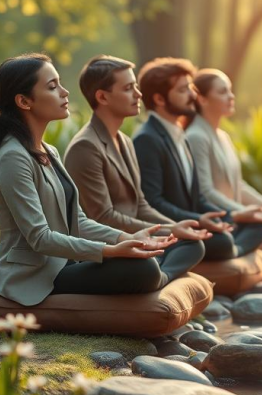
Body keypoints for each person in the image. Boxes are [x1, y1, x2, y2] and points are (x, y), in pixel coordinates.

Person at [0, 54, 179, 307]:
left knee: (156, 255)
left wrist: (124, 238)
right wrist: (109, 251)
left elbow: (78, 220)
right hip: (33, 274)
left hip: (65, 264)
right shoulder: (12, 158)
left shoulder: (49, 150)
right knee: (144, 268)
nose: (65, 92)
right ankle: (163, 275)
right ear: (24, 101)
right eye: (52, 86)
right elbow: (40, 237)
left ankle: (159, 273)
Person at [64, 55, 209, 282]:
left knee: (193, 244)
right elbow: (104, 216)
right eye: (129, 88)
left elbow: (140, 204)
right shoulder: (85, 147)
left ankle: (161, 275)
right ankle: (158, 274)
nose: (139, 95)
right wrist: (163, 232)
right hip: (111, 246)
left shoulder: (126, 141)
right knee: (147, 266)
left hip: (140, 239)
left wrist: (174, 227)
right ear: (102, 97)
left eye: (136, 87)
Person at [132, 58, 262, 261]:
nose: (193, 95)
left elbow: (198, 198)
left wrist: (225, 217)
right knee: (222, 240)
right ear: (160, 100)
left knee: (259, 227)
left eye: (190, 87)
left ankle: (233, 249)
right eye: (183, 90)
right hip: (174, 228)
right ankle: (233, 250)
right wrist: (198, 221)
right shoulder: (148, 138)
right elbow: (154, 202)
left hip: (196, 224)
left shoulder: (180, 134)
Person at [186, 68, 262, 244]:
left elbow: (239, 186)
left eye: (230, 89)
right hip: (223, 220)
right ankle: (254, 239)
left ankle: (259, 238)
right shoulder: (196, 136)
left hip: (240, 215)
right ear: (202, 99)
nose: (231, 96)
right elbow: (206, 191)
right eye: (222, 91)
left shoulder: (223, 136)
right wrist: (242, 212)